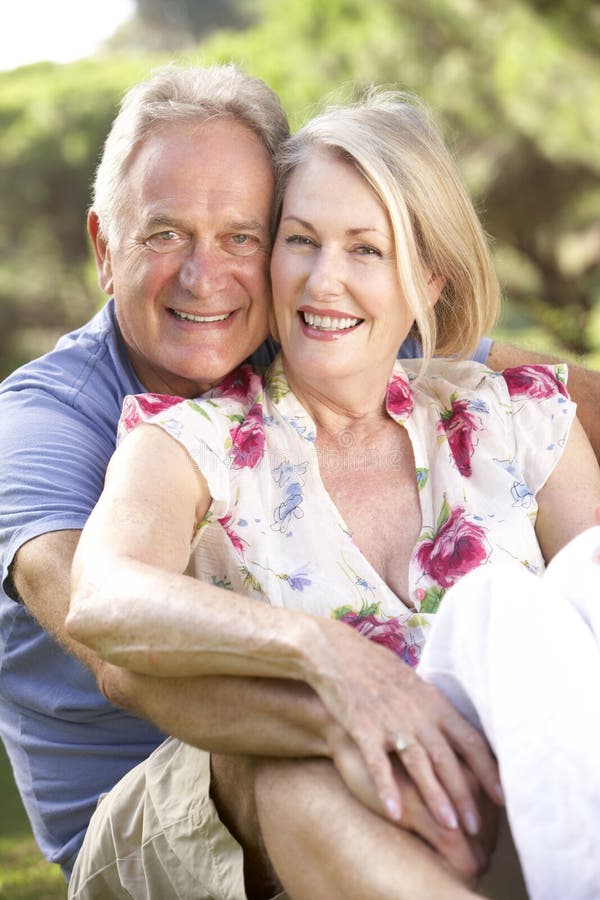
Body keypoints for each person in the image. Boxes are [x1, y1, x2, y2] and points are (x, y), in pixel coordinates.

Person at [0, 63, 597, 897]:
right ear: (105, 248)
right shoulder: (77, 425)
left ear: (427, 279)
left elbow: (534, 390)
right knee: (285, 761)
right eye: (165, 233)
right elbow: (112, 638)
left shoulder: (465, 395)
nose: (207, 277)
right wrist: (340, 668)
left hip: (447, 794)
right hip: (164, 802)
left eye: (242, 236)